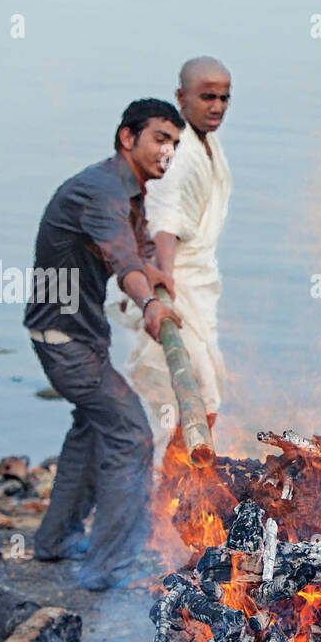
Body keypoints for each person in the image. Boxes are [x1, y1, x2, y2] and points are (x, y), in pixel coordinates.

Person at [23, 98, 184, 590]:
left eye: (175, 143)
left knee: (91, 431)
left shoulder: (126, 190)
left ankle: (55, 544)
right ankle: (107, 567)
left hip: (77, 338)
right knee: (131, 435)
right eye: (160, 138)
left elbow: (136, 248)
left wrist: (157, 271)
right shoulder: (101, 192)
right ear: (127, 138)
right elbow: (123, 260)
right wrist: (150, 304)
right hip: (65, 344)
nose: (168, 152)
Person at [117, 57, 232, 467]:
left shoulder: (207, 144)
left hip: (200, 285)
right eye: (206, 97)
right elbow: (163, 222)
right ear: (181, 97)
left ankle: (176, 492)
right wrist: (163, 280)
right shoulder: (179, 152)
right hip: (176, 287)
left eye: (224, 98)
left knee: (207, 394)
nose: (217, 106)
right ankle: (160, 499)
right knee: (181, 396)